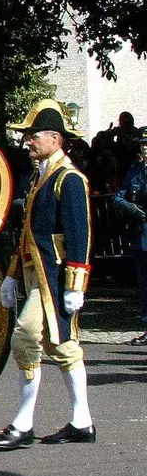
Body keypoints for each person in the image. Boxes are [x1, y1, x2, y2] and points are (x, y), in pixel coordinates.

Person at [0, 100, 96, 450]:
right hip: (37, 275)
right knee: (62, 346)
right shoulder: (40, 176)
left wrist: (76, 284)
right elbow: (27, 234)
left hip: (56, 278)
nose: (27, 142)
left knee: (24, 336)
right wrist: (12, 275)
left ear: (55, 138)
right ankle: (82, 421)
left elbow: (80, 234)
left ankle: (23, 423)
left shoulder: (70, 179)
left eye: (32, 136)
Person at [113, 135, 147, 346]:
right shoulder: (135, 170)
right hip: (140, 234)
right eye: (143, 145)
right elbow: (119, 196)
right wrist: (128, 207)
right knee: (144, 284)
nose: (145, 148)